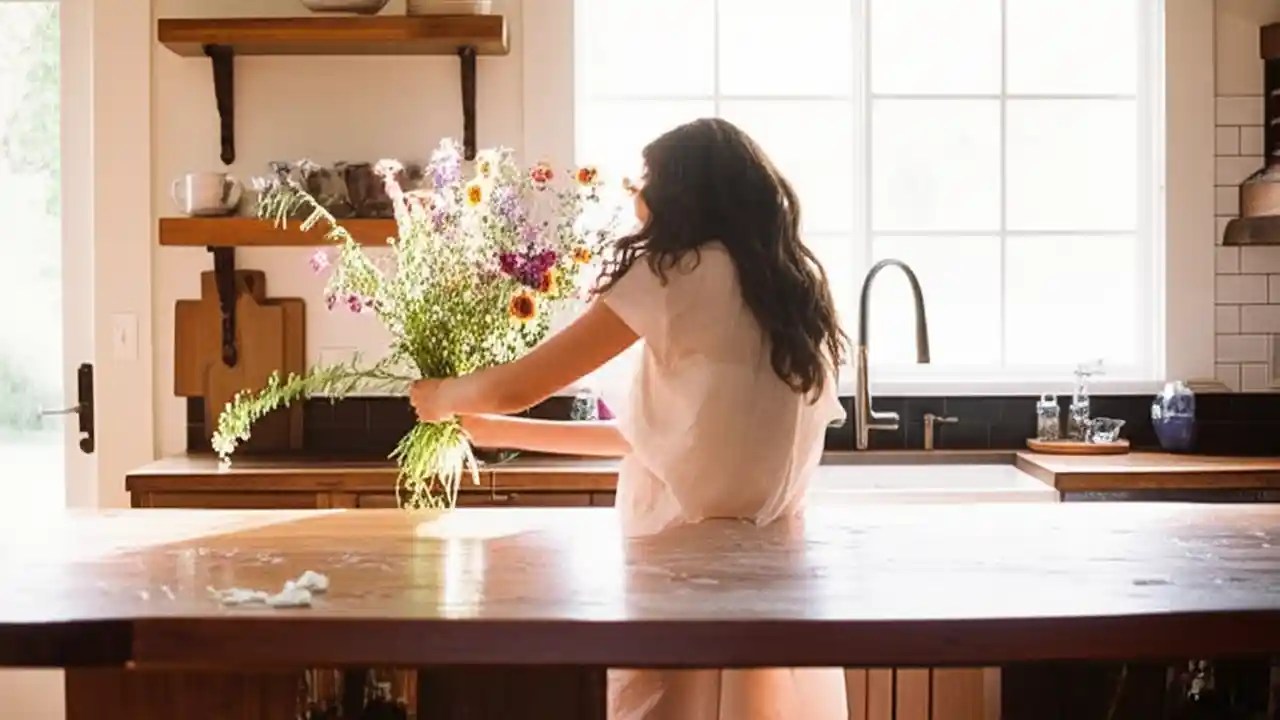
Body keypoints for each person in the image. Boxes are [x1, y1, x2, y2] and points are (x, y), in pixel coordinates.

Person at [409, 117, 850, 720]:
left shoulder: (677, 273)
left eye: (646, 180)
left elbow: (522, 383)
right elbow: (669, 442)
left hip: (682, 578)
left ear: (681, 193)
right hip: (773, 579)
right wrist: (502, 434)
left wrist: (442, 396)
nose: (634, 194)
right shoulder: (794, 287)